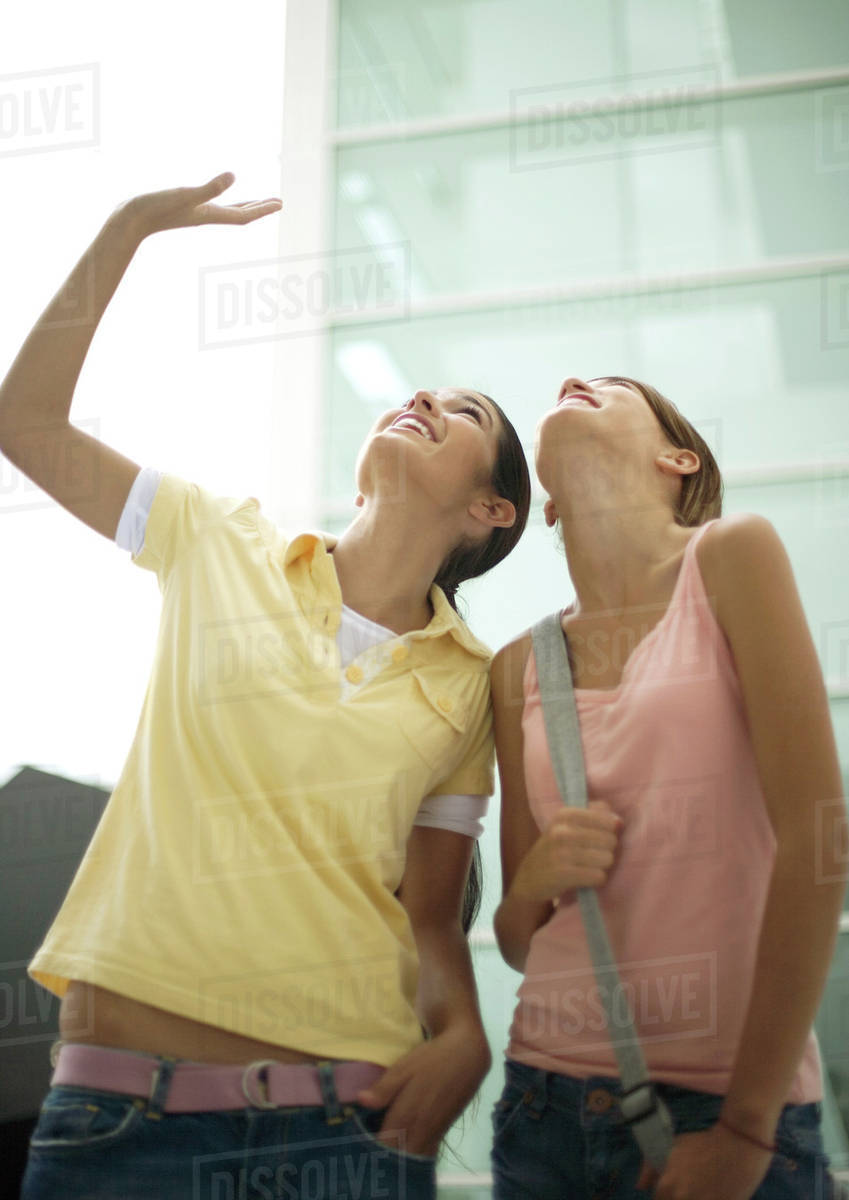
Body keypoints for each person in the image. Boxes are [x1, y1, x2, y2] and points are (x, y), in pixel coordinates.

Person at [0, 173, 531, 1200]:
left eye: (460, 411)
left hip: (349, 1131)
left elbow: (428, 919)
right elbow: (23, 422)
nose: (421, 398)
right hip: (124, 1123)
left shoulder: (471, 688)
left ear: (490, 511)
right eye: (421, 390)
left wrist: (464, 1034)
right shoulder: (214, 538)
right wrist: (126, 229)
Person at [489, 374, 848, 1199]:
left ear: (675, 460)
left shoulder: (730, 555)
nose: (575, 382)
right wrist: (535, 883)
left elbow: (817, 837)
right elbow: (515, 936)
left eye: (610, 387)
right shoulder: (518, 668)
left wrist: (747, 1128)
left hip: (730, 1108)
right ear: (546, 506)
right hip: (541, 1107)